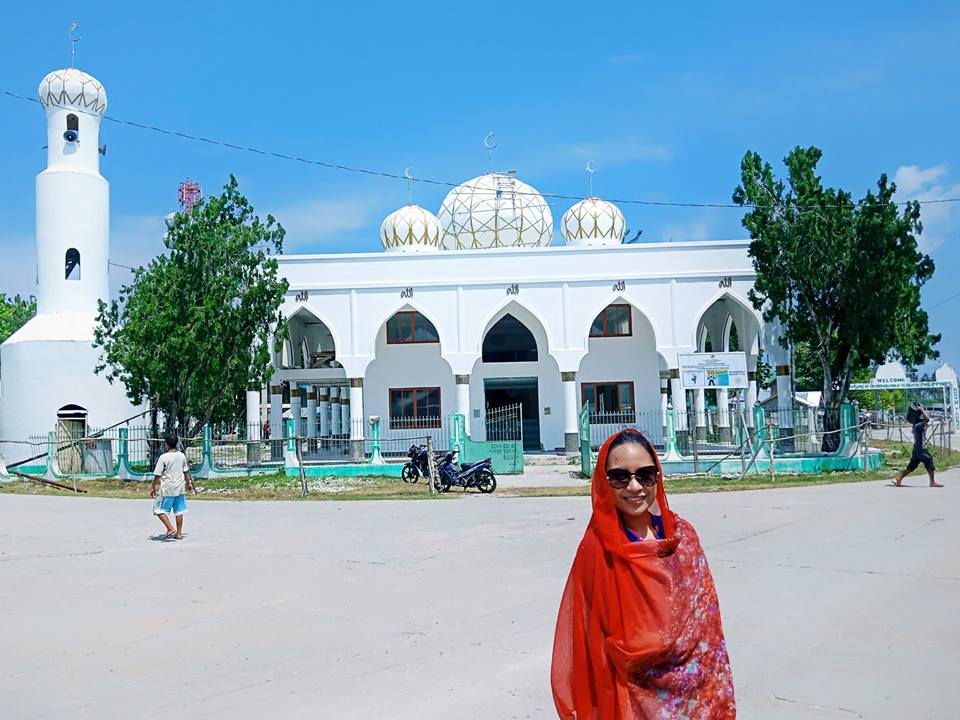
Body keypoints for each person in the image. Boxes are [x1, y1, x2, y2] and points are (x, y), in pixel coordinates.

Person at [551, 428, 735, 719]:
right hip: (626, 696)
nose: (634, 487)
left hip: (692, 697)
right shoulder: (596, 550)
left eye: (645, 475)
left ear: (657, 478)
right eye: (620, 477)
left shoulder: (683, 537)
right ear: (603, 481)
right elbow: (590, 643)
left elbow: (706, 628)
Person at [150, 434, 193, 540]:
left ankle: (170, 528)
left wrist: (153, 487)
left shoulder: (164, 457)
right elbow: (186, 472)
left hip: (167, 489)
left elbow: (158, 475)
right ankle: (178, 533)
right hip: (179, 488)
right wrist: (188, 483)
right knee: (179, 511)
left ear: (166, 444)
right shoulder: (181, 456)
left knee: (158, 510)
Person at [894, 404, 942, 487]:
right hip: (921, 448)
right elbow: (927, 418)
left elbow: (925, 420)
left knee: (912, 466)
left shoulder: (915, 425)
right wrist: (922, 409)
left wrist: (921, 410)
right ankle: (932, 482)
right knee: (928, 460)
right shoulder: (919, 425)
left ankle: (899, 478)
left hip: (916, 448)